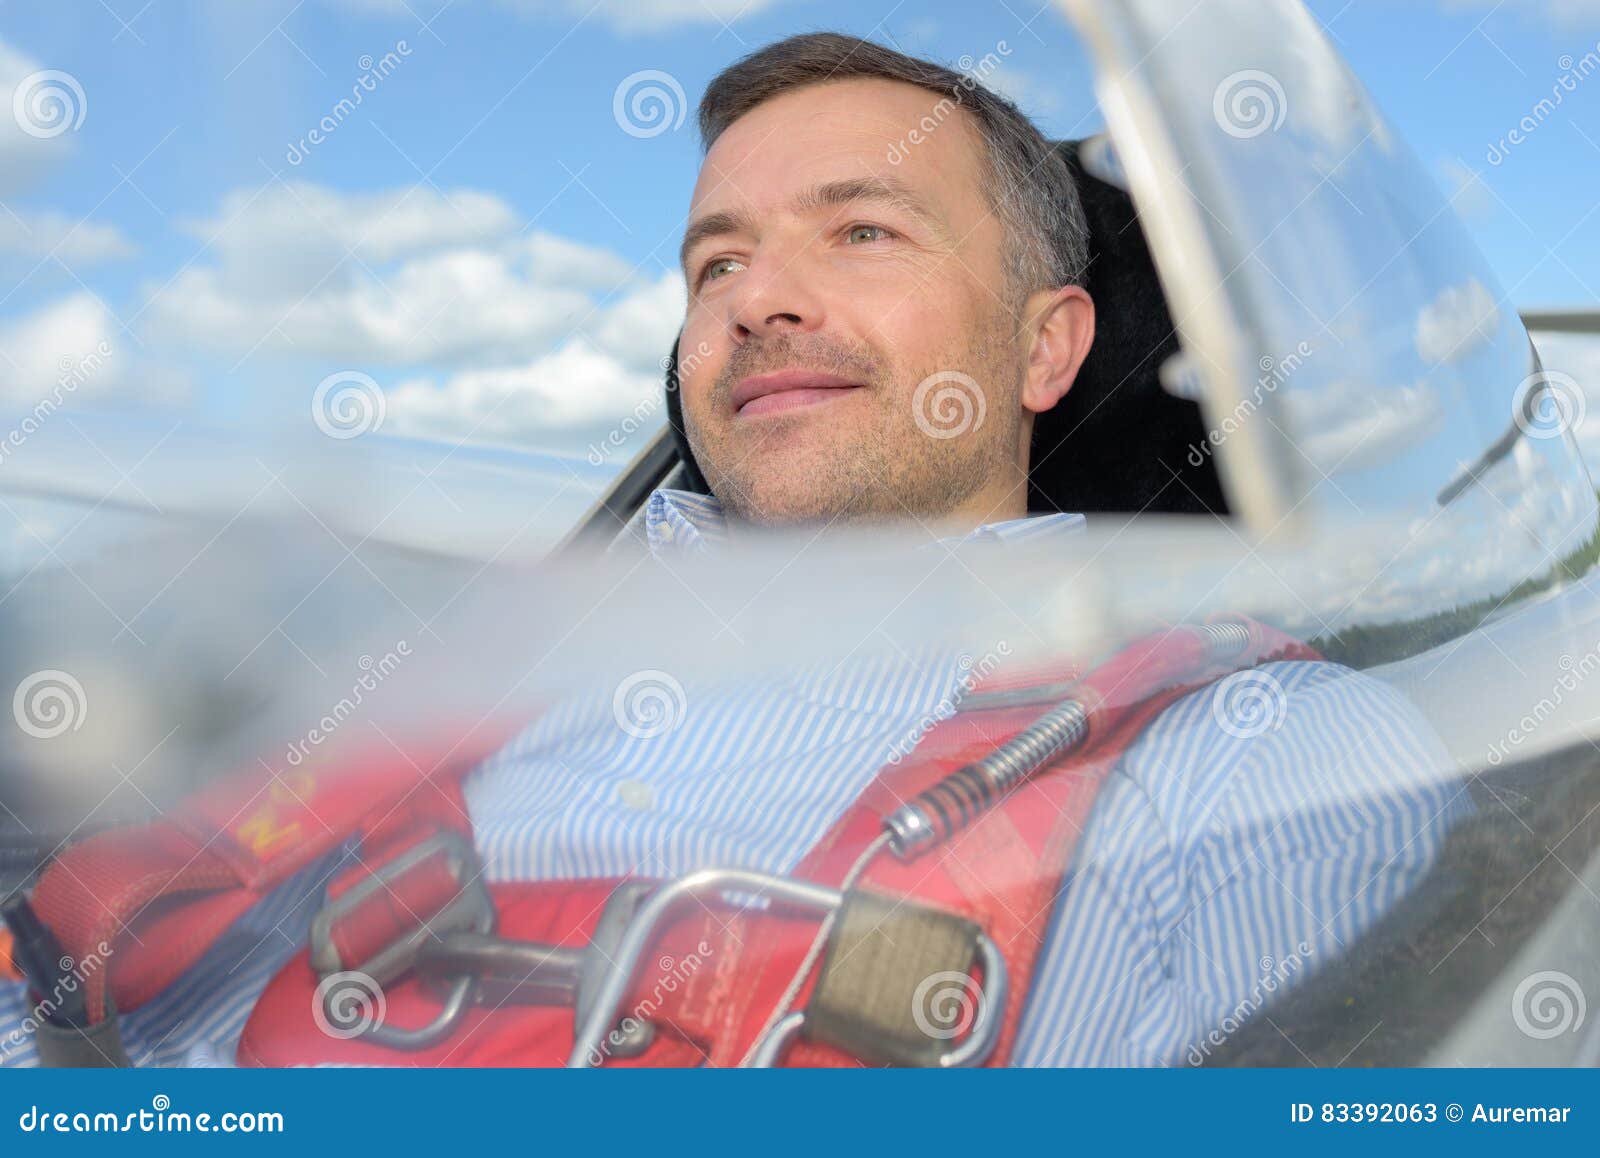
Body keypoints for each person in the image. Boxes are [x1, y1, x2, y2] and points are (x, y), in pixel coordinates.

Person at [0, 33, 1468, 1069]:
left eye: (864, 233)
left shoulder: (1251, 757)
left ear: (1044, 347)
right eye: (718, 260)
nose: (760, 298)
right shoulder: (435, 641)